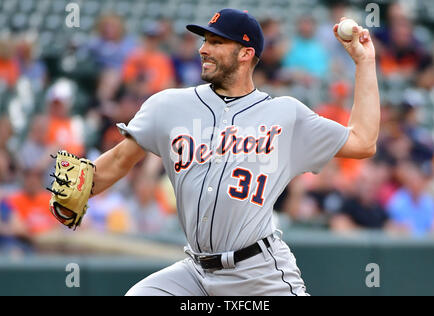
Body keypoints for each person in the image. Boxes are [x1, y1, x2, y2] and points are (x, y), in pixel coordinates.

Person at [79, 8, 379, 296]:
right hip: (196, 272)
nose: (203, 49)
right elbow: (120, 159)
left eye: (216, 42)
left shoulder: (285, 115)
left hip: (258, 273)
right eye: (205, 40)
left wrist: (364, 63)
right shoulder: (168, 106)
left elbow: (363, 142)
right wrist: (79, 189)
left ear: (246, 53)